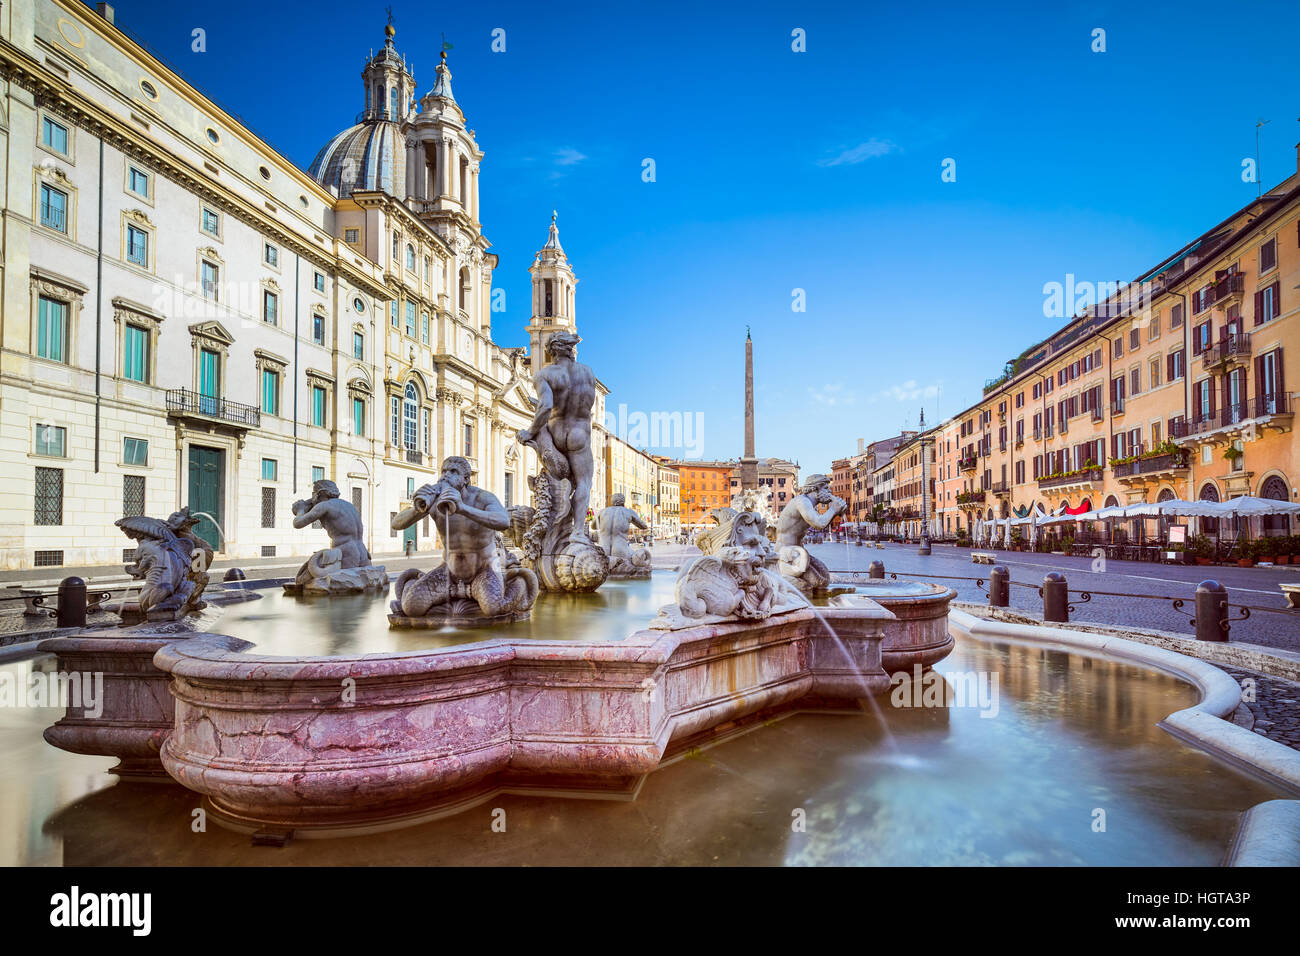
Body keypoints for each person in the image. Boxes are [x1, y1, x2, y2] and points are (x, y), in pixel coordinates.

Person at [517, 330, 596, 543]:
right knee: (583, 484)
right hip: (580, 434)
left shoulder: (544, 374)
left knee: (553, 481)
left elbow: (546, 407)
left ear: (551, 351)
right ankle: (577, 533)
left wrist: (531, 432)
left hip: (555, 433)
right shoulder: (588, 373)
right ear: (570, 349)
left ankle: (551, 526)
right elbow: (587, 406)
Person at [292, 479, 371, 569]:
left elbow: (297, 523)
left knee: (308, 575)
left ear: (319, 493)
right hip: (363, 552)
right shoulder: (349, 505)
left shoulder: (325, 506)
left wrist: (300, 510)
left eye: (313, 493)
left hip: (346, 552)